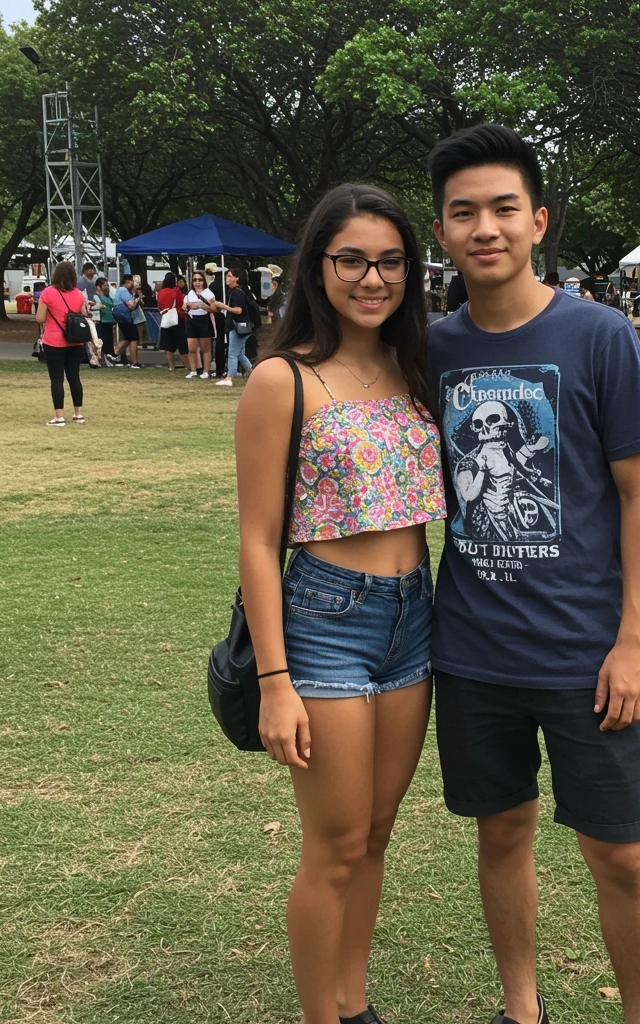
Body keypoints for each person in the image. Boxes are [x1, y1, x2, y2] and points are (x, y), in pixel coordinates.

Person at [427, 124, 640, 1024]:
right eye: (463, 212)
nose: (484, 227)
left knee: (619, 854)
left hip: (586, 655)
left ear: (537, 221)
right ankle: (520, 1010)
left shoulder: (598, 335)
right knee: (503, 832)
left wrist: (633, 640)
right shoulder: (433, 347)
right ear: (442, 231)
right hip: (473, 650)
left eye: (502, 208)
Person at [235, 182, 446, 1024]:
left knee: (379, 832)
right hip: (325, 618)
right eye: (352, 259)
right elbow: (257, 539)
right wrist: (274, 680)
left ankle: (352, 1004)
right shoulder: (282, 379)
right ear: (318, 266)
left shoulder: (416, 366)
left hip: (414, 612)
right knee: (333, 848)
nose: (372, 277)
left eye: (390, 260)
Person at [35, 260, 88, 426]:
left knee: (57, 379)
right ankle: (78, 413)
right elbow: (83, 314)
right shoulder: (79, 294)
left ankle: (59, 416)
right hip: (75, 341)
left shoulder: (48, 293)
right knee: (74, 377)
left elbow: (40, 318)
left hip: (54, 341)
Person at [213, 267, 256, 385]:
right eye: (227, 276)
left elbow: (238, 311)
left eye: (230, 276)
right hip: (239, 327)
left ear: (237, 278)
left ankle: (229, 378)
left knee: (232, 354)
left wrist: (222, 306)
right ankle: (253, 373)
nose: (227, 278)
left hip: (238, 327)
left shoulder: (237, 293)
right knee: (240, 354)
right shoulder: (235, 292)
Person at [184, 271, 216, 378]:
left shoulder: (209, 293)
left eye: (200, 279)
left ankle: (206, 370)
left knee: (205, 348)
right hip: (192, 319)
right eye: (195, 280)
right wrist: (188, 306)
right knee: (191, 348)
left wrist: (202, 306)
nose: (197, 282)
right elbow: (184, 308)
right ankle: (193, 370)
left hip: (204, 319)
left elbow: (214, 309)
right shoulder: (189, 294)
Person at [156, 272, 189, 371]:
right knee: (182, 344)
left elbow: (160, 306)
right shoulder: (176, 291)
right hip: (178, 318)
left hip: (166, 318)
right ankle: (188, 366)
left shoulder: (160, 292)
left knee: (168, 345)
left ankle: (172, 366)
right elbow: (181, 303)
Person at [113, 274, 143, 367]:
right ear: (128, 282)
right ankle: (134, 362)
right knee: (134, 338)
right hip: (124, 316)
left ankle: (114, 353)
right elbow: (131, 306)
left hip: (122, 316)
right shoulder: (123, 290)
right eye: (132, 282)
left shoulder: (123, 291)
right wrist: (138, 299)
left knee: (128, 338)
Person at [206, 263, 228, 378]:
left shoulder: (212, 286)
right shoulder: (228, 286)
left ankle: (219, 369)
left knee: (218, 341)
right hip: (228, 314)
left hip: (217, 315)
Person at [94, 279, 117, 365]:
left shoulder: (107, 296)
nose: (107, 287)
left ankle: (110, 355)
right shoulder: (96, 296)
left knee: (109, 339)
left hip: (109, 319)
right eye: (105, 285)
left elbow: (112, 302)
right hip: (102, 320)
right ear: (98, 287)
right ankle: (103, 356)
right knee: (103, 339)